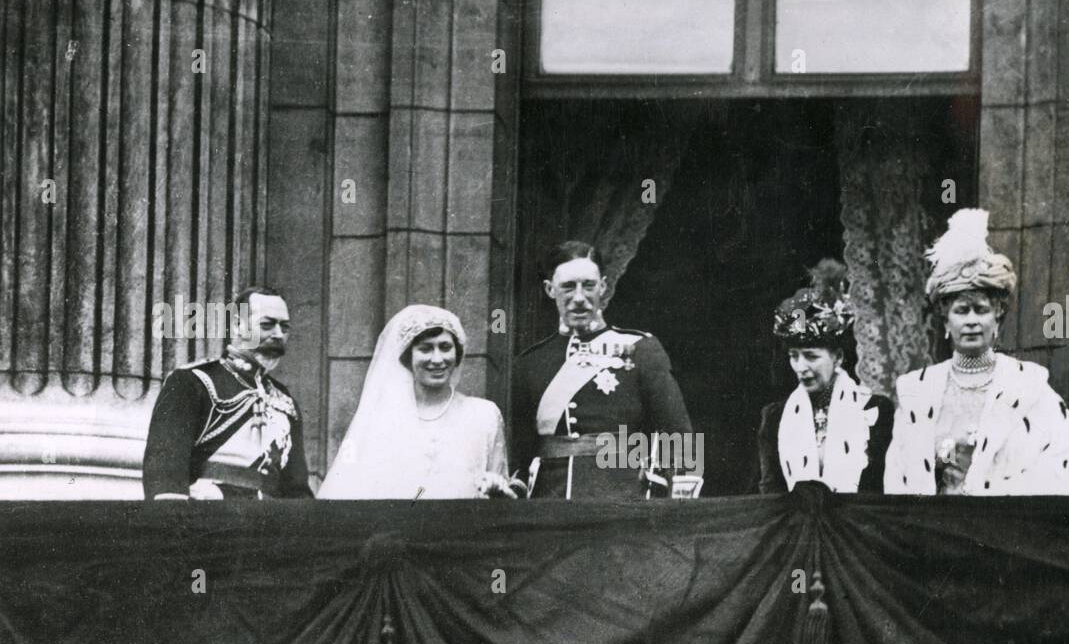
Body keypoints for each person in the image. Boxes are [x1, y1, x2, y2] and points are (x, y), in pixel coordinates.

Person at [884, 209, 1069, 496]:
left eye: (981, 309)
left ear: (997, 315)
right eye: (961, 311)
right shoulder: (917, 392)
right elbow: (897, 481)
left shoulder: (1029, 387)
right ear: (946, 319)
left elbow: (1061, 469)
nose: (972, 320)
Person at [511, 241, 696, 499]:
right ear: (549, 289)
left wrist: (680, 501)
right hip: (549, 504)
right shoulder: (529, 364)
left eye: (588, 285)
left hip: (624, 500)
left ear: (603, 287)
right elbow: (520, 454)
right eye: (567, 287)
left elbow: (676, 434)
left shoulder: (641, 349)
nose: (579, 298)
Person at [317, 305, 521, 500]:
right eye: (425, 349)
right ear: (408, 356)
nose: (437, 359)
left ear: (457, 354)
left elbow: (501, 486)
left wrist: (497, 487)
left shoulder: (484, 415)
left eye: (445, 347)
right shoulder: (382, 419)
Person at [142, 285, 313, 499]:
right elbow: (165, 478)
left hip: (268, 527)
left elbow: (297, 493)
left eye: (285, 327)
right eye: (267, 325)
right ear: (237, 325)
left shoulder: (285, 400)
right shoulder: (193, 382)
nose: (278, 334)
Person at [756, 260, 894, 494]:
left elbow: (881, 491)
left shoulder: (873, 411)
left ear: (838, 357)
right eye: (794, 356)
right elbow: (771, 497)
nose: (801, 367)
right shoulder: (775, 418)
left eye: (811, 356)